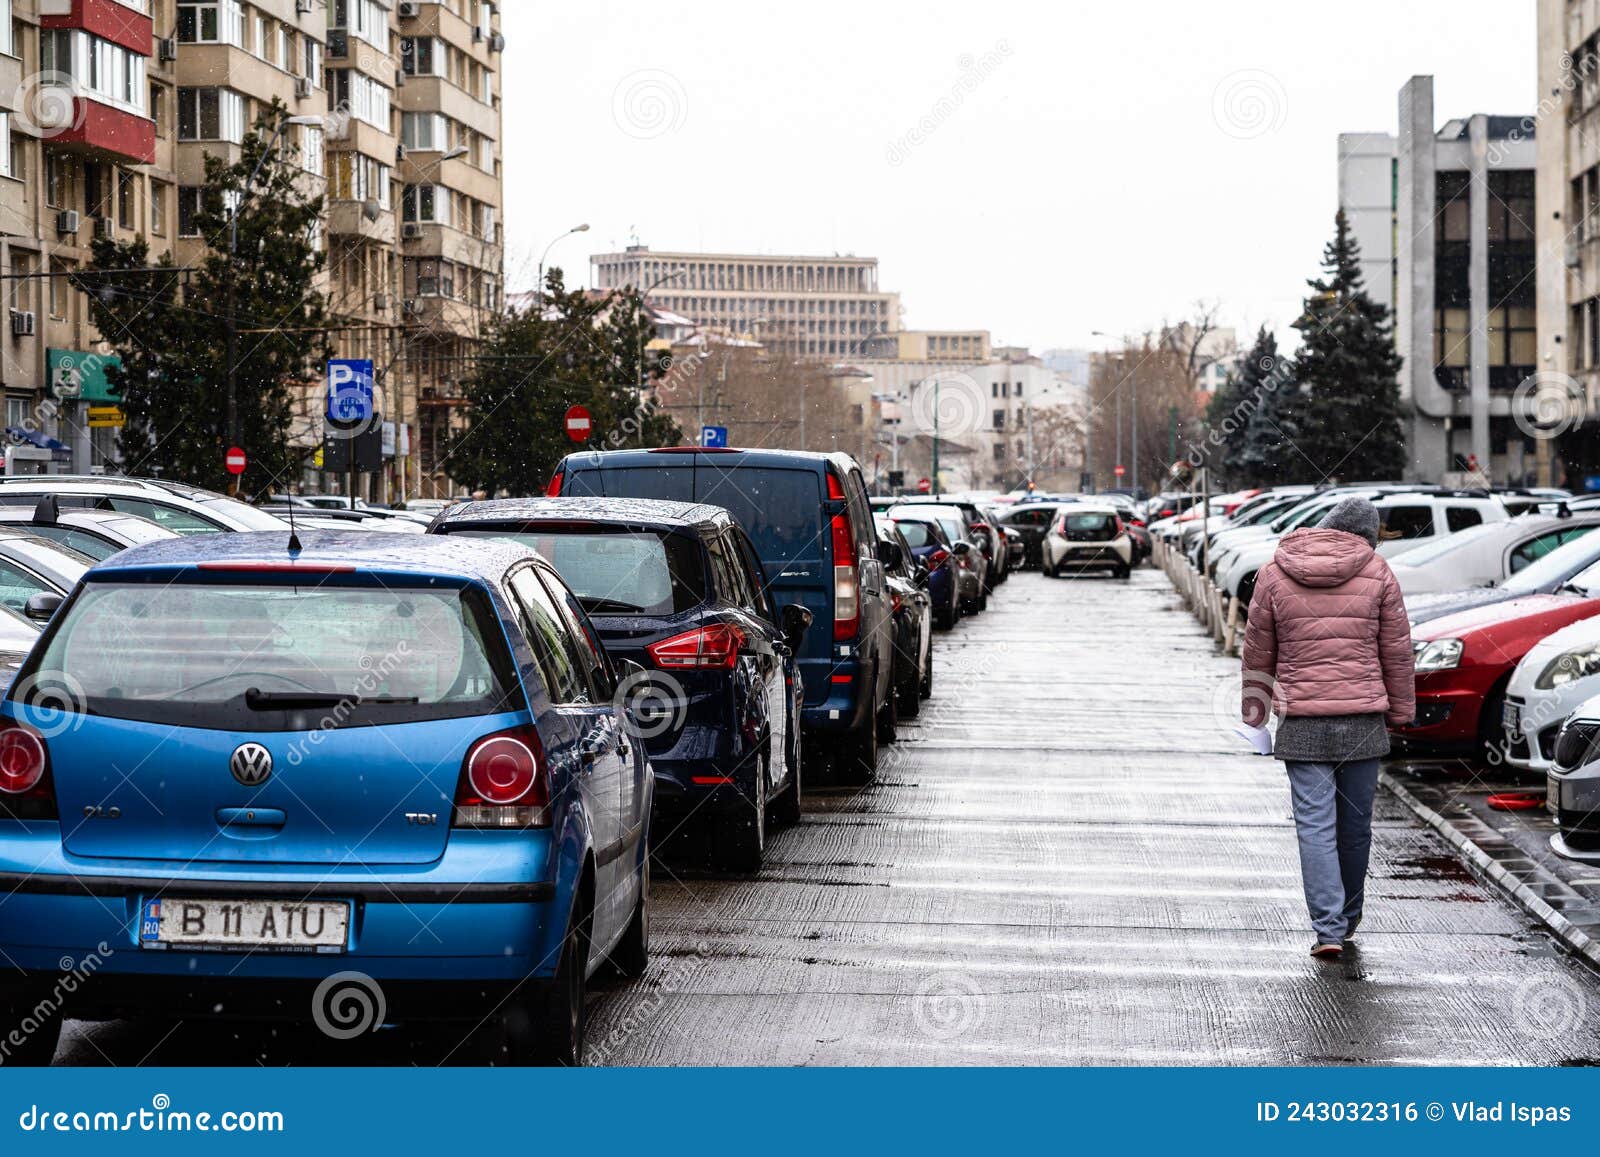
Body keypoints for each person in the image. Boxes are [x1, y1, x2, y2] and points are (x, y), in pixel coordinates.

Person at [1240, 496, 1415, 960]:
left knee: (1314, 827)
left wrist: (1255, 716)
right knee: (1355, 827)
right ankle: (1349, 915)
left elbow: (1257, 652)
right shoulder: (1378, 572)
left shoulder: (1274, 573)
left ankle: (1329, 929)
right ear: (1367, 537)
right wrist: (1400, 711)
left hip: (1302, 722)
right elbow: (1396, 651)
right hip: (1361, 720)